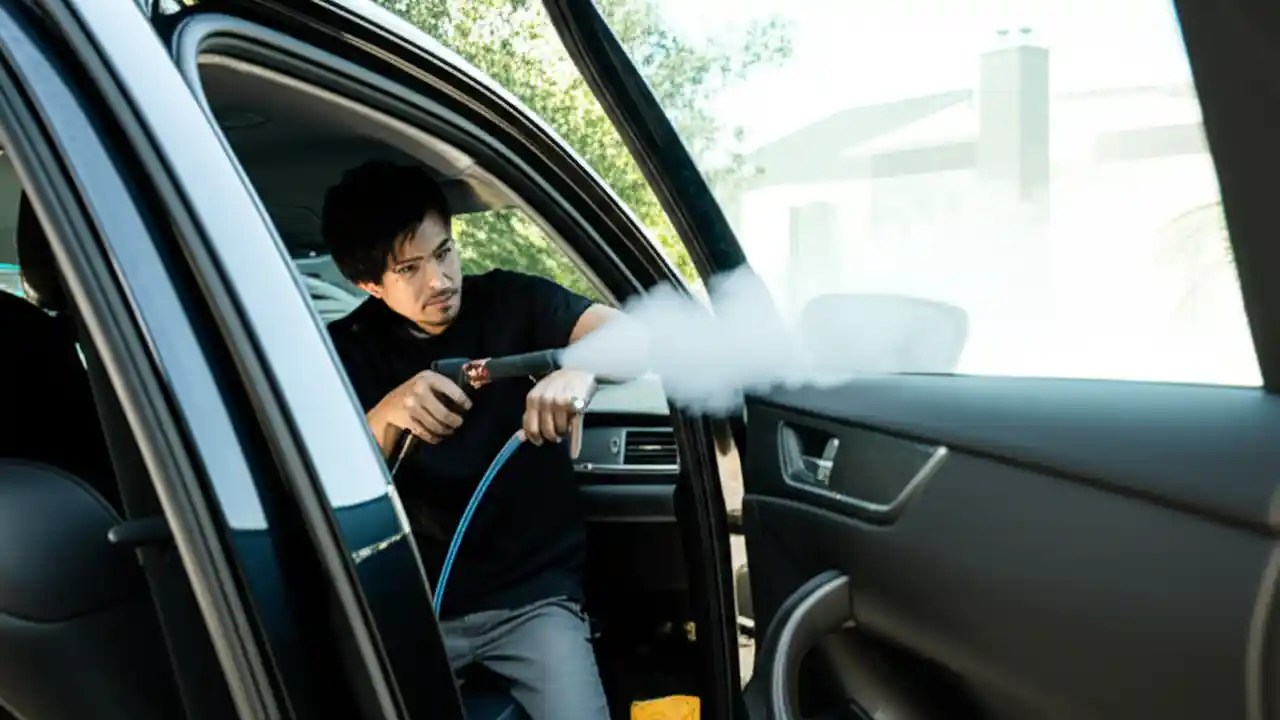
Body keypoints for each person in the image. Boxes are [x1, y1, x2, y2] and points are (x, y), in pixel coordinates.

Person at [321, 160, 618, 719]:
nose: (440, 280)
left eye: (443, 252)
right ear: (368, 284)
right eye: (409, 268)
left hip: (534, 599)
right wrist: (385, 415)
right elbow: (319, 476)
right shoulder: (346, 350)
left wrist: (580, 369)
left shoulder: (512, 300)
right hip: (415, 603)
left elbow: (632, 334)